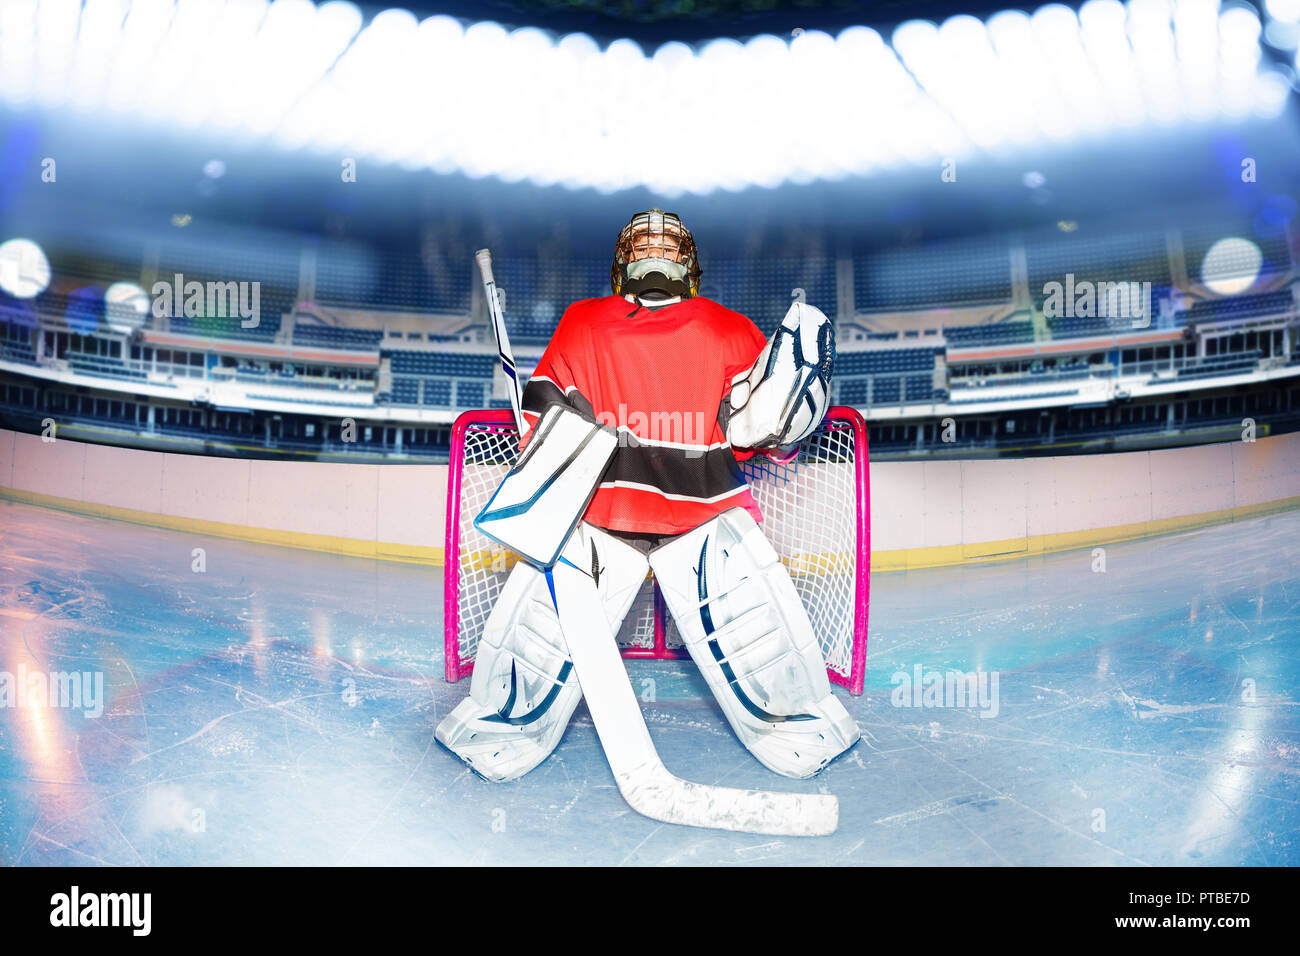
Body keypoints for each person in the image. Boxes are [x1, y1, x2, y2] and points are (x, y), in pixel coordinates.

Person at [436, 209, 860, 781]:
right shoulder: (584, 322)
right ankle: (496, 732)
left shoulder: (730, 328)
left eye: (667, 242)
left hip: (705, 514)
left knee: (762, 644)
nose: (655, 250)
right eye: (643, 242)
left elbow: (755, 436)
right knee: (536, 640)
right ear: (621, 262)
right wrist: (540, 435)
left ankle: (799, 731)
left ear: (689, 263)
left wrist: (783, 417)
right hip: (599, 514)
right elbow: (542, 419)